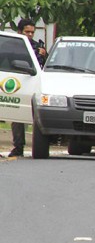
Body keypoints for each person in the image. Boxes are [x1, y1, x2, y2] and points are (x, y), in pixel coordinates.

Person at [8, 19, 46, 158]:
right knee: (15, 116)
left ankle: (33, 147)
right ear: (19, 31)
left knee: (33, 116)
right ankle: (18, 147)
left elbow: (43, 67)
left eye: (32, 32)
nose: (30, 35)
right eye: (27, 32)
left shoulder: (36, 47)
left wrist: (43, 55)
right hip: (13, 84)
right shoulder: (11, 45)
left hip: (32, 84)